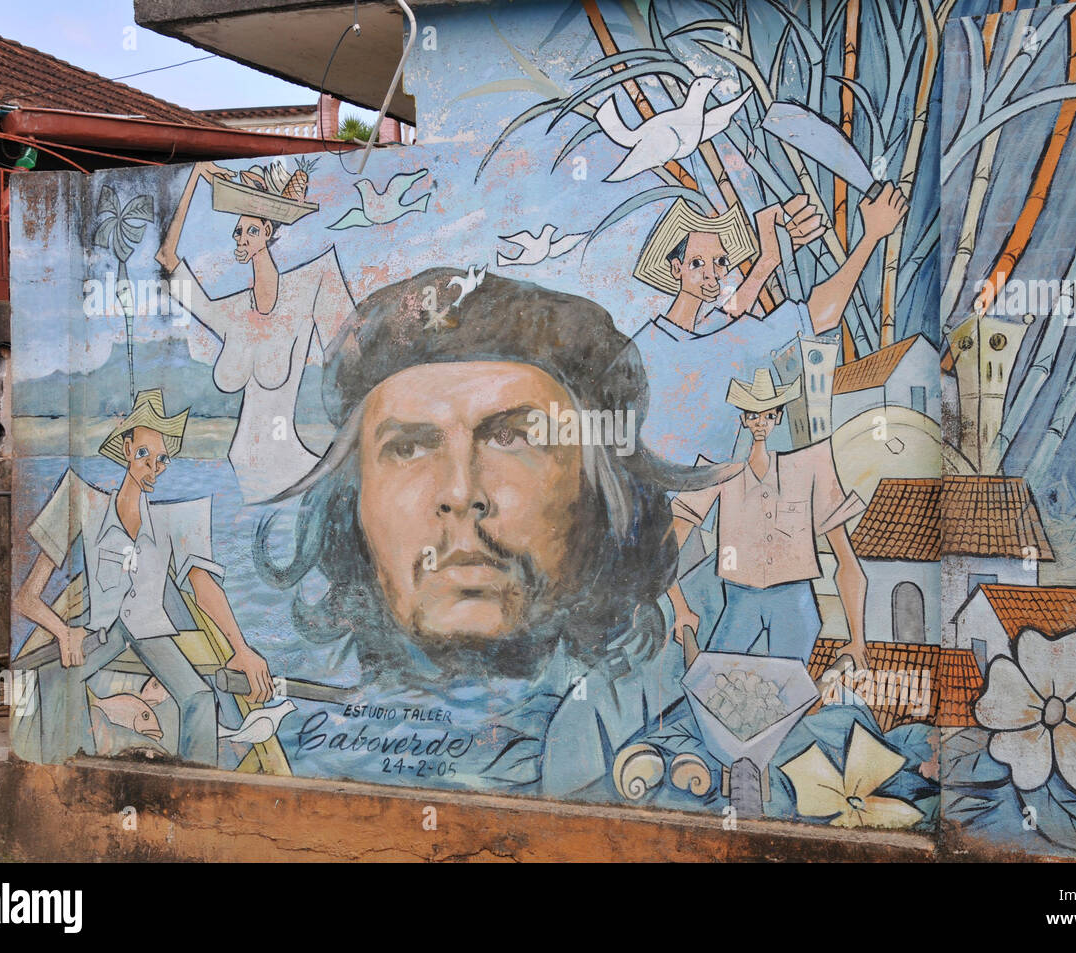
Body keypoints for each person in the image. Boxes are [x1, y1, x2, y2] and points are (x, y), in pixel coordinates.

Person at [254, 268, 728, 797]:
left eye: (510, 437)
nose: (461, 492)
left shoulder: (678, 707)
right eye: (409, 447)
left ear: (598, 489)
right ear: (354, 501)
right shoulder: (292, 731)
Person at [15, 389, 274, 765]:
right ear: (126, 449)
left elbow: (205, 589)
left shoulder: (177, 518)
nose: (153, 467)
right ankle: (59, 777)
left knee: (200, 698)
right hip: (100, 632)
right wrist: (62, 630)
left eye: (162, 459)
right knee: (57, 678)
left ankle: (195, 789)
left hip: (152, 633)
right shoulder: (81, 501)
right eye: (144, 455)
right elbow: (26, 598)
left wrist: (242, 649)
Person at [629, 187, 907, 466]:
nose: (713, 275)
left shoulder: (649, 340)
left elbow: (725, 317)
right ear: (677, 269)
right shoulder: (724, 346)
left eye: (721, 262)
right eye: (697, 263)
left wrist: (768, 260)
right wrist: (872, 235)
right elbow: (823, 314)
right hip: (693, 494)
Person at [156, 159, 356, 503]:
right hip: (241, 478)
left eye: (251, 230)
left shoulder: (311, 284)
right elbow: (166, 255)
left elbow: (353, 360)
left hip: (294, 475)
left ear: (268, 231)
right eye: (237, 231)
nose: (242, 238)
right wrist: (193, 177)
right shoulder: (231, 313)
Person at [666, 368, 868, 668]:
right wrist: (680, 609)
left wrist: (857, 637)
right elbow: (663, 551)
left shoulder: (810, 465)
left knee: (788, 694)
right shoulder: (721, 472)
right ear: (743, 419)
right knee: (714, 685)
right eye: (753, 415)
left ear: (779, 417)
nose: (761, 422)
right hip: (739, 601)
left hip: (795, 604)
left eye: (769, 415)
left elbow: (848, 562)